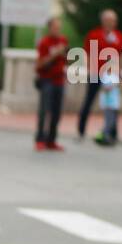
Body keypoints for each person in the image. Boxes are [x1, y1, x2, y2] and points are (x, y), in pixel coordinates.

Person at [77, 9, 122, 140]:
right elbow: (86, 52)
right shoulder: (94, 34)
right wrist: (89, 69)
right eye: (109, 20)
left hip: (111, 75)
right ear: (103, 21)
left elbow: (121, 55)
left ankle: (112, 132)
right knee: (89, 100)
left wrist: (120, 72)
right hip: (96, 73)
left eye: (114, 21)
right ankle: (81, 130)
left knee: (112, 104)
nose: (112, 23)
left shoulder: (118, 36)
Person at [34, 16, 69, 151]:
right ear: (49, 28)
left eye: (59, 28)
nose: (57, 30)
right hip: (47, 80)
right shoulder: (44, 42)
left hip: (59, 80)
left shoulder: (63, 40)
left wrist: (66, 54)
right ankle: (40, 139)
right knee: (44, 110)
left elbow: (67, 60)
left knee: (57, 112)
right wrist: (55, 54)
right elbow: (39, 64)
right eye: (55, 28)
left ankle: (51, 139)